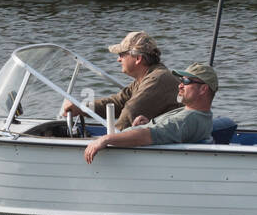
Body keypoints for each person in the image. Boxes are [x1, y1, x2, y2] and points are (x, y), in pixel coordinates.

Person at [84, 63, 218, 162]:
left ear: (203, 89)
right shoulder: (192, 112)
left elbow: (146, 136)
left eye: (186, 81)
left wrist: (105, 139)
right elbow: (164, 129)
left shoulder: (189, 119)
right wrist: (149, 123)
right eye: (180, 80)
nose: (180, 85)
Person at [61, 31, 178, 130]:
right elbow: (118, 102)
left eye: (122, 54)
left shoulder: (156, 79)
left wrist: (109, 138)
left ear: (138, 58)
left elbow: (131, 111)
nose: (118, 59)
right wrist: (81, 107)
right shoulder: (147, 77)